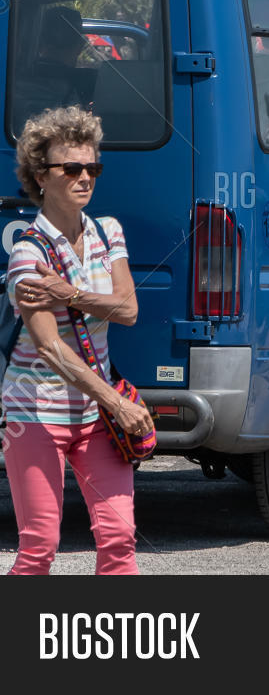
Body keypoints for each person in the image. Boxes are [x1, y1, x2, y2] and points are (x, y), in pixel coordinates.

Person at [3, 105, 151, 574]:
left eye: (93, 167)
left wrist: (68, 293)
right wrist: (118, 402)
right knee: (40, 546)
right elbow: (50, 347)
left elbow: (128, 311)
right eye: (72, 168)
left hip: (96, 417)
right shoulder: (27, 251)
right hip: (35, 414)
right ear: (40, 176)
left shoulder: (109, 233)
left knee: (120, 537)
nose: (85, 177)